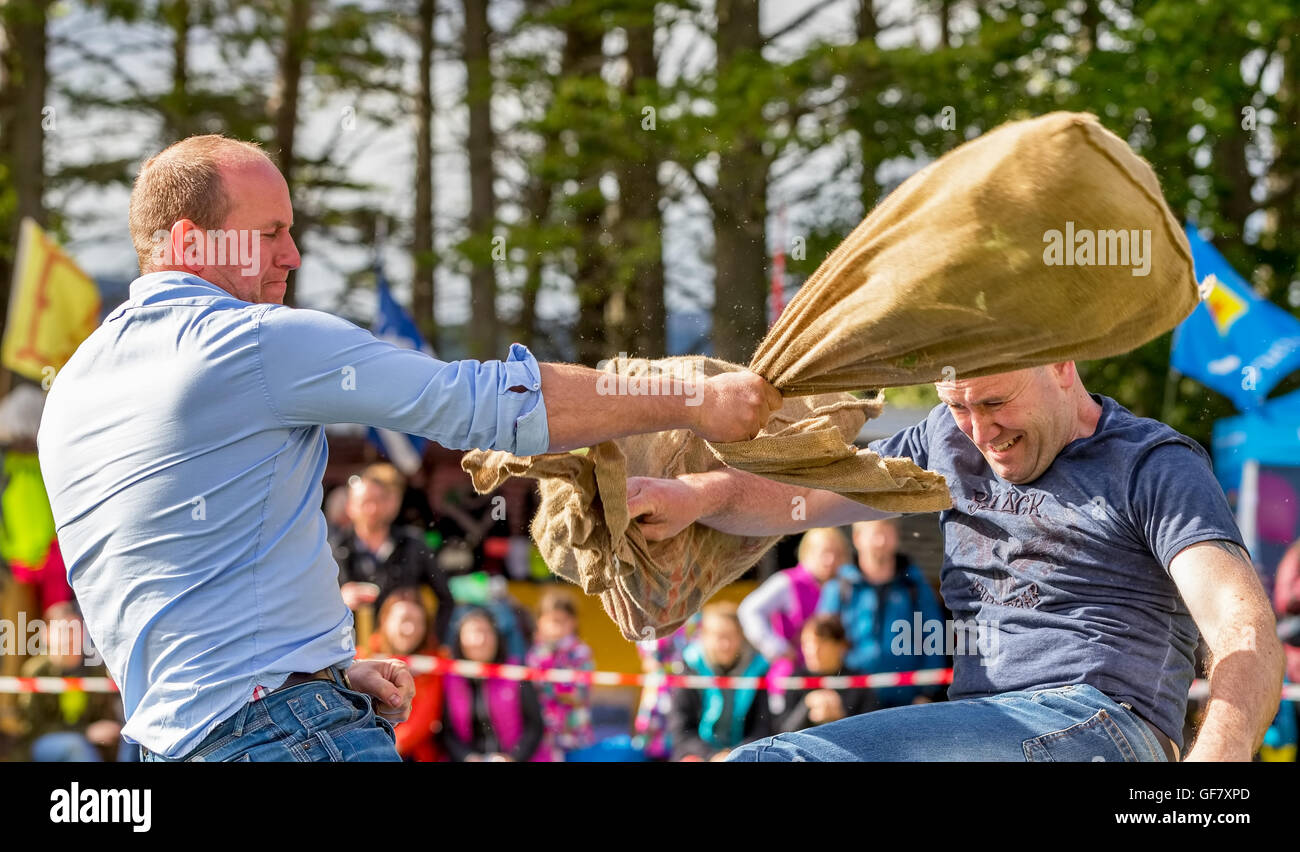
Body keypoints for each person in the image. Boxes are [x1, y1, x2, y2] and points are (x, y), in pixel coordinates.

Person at [36, 134, 781, 763]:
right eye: (271, 233)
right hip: (278, 735)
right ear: (192, 242)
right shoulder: (249, 344)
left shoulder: (70, 390)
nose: (293, 257)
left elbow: (168, 584)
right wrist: (692, 398)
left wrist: (318, 673)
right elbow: (484, 401)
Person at [627, 361, 1284, 761]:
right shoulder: (946, 443)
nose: (979, 429)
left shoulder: (1151, 464)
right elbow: (808, 495)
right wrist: (697, 494)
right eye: (958, 405)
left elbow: (1241, 625)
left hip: (1099, 728)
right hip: (983, 727)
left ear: (1062, 364)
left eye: (995, 402)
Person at [816, 518, 947, 708]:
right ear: (857, 537)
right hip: (850, 703)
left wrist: (928, 691)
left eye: (888, 532)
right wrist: (827, 687)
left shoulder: (915, 586)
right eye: (875, 533)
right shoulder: (838, 587)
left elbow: (934, 638)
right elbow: (822, 643)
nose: (881, 541)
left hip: (906, 702)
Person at [332, 462, 454, 643]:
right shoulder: (332, 549)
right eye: (365, 502)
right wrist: (338, 602)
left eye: (379, 500)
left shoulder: (413, 544)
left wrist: (431, 641)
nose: (372, 509)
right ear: (350, 506)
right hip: (348, 654)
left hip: (402, 657)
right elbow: (309, 606)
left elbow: (445, 599)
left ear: (390, 503)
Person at [737, 527, 847, 712]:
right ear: (807, 553)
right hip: (791, 678)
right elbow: (749, 610)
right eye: (824, 552)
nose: (830, 560)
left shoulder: (845, 585)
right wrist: (777, 647)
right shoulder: (786, 582)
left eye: (836, 553)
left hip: (830, 676)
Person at [17, 603, 134, 762]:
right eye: (62, 630)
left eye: (74, 630)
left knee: (130, 738)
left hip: (92, 743)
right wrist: (84, 732)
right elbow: (33, 727)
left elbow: (108, 714)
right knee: (75, 746)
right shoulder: (36, 671)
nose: (69, 637)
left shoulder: (97, 670)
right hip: (45, 743)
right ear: (46, 634)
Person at [668, 602, 772, 761]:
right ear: (705, 636)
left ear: (741, 636)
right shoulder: (689, 666)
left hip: (744, 753)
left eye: (732, 636)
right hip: (699, 754)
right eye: (719, 637)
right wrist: (712, 756)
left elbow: (762, 727)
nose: (726, 645)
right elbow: (681, 731)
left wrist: (734, 754)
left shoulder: (757, 668)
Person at [441, 607, 545, 761]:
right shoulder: (449, 678)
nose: (481, 640)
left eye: (487, 632)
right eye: (474, 632)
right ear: (460, 639)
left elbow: (535, 726)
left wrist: (513, 758)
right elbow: (445, 733)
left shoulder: (515, 672)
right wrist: (467, 757)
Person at [360, 587, 446, 762]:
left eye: (418, 622)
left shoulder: (433, 663)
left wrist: (386, 750)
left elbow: (425, 718)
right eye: (404, 620)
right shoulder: (364, 656)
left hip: (410, 754)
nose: (410, 629)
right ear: (385, 620)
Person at [525, 589, 595, 761]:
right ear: (539, 622)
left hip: (574, 732)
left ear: (573, 622)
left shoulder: (580, 652)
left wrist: (553, 687)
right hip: (543, 734)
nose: (556, 626)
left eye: (562, 621)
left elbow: (578, 693)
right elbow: (529, 693)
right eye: (552, 620)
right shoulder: (535, 653)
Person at [777, 614, 876, 733]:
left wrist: (840, 717)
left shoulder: (858, 681)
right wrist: (807, 704)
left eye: (821, 642)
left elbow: (871, 733)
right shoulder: (797, 680)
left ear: (840, 645)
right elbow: (782, 733)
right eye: (806, 643)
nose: (813, 650)